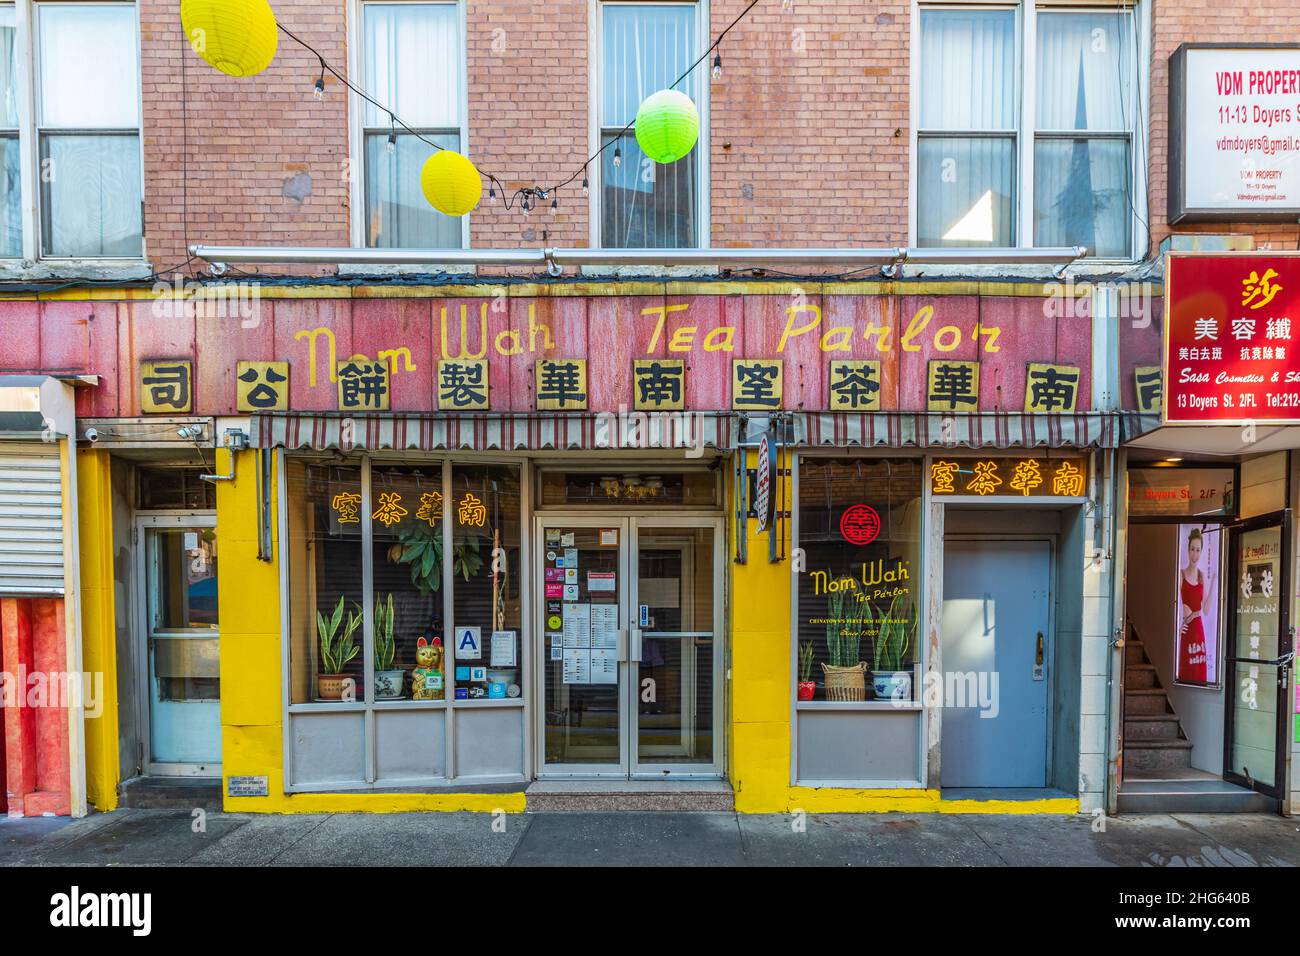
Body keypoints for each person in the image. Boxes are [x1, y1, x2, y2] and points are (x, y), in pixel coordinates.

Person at [1178, 527, 1210, 684]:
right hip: (1185, 629)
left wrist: (1214, 583)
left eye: (1198, 550)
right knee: (1186, 667)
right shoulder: (1180, 574)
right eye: (1192, 549)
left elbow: (1206, 609)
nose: (1195, 554)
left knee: (1198, 670)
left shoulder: (1202, 576)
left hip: (1198, 628)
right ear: (1187, 549)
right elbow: (1174, 603)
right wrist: (1179, 623)